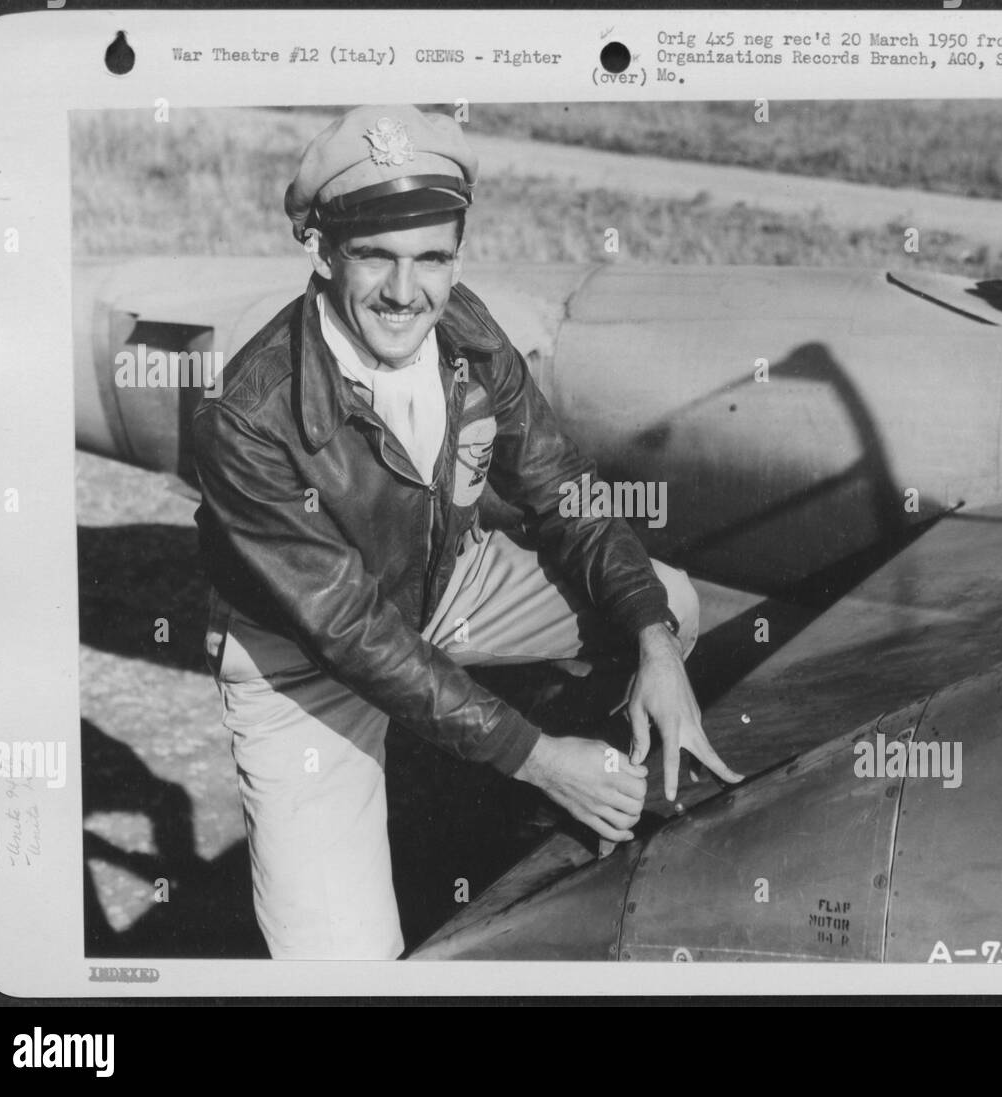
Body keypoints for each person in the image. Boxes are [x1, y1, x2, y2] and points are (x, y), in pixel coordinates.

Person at [192, 105, 742, 959]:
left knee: (666, 602)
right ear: (323, 250)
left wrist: (655, 642)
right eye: (375, 254)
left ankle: (556, 797)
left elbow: (563, 490)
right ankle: (544, 767)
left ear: (457, 255)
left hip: (447, 587)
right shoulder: (248, 418)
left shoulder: (467, 334)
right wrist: (533, 752)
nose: (406, 293)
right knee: (342, 968)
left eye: (432, 258)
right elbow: (354, 633)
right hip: (305, 662)